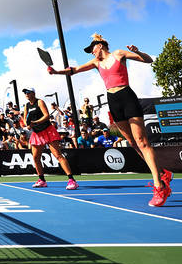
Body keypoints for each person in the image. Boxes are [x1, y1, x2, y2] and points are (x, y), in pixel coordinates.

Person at [49, 33, 172, 207]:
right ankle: (162, 173)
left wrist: (139, 52)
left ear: (100, 45)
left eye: (92, 48)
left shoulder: (119, 54)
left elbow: (148, 60)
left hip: (127, 96)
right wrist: (56, 72)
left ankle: (160, 187)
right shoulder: (96, 63)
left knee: (142, 142)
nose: (91, 52)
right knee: (132, 142)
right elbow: (74, 70)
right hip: (113, 101)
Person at [21, 87, 79, 190]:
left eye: (28, 92)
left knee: (58, 155)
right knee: (35, 157)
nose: (26, 94)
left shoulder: (40, 102)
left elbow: (47, 116)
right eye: (25, 93)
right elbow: (25, 120)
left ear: (33, 93)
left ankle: (72, 180)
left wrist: (35, 122)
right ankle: (42, 180)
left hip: (48, 130)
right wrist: (28, 125)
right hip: (37, 133)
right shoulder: (26, 106)